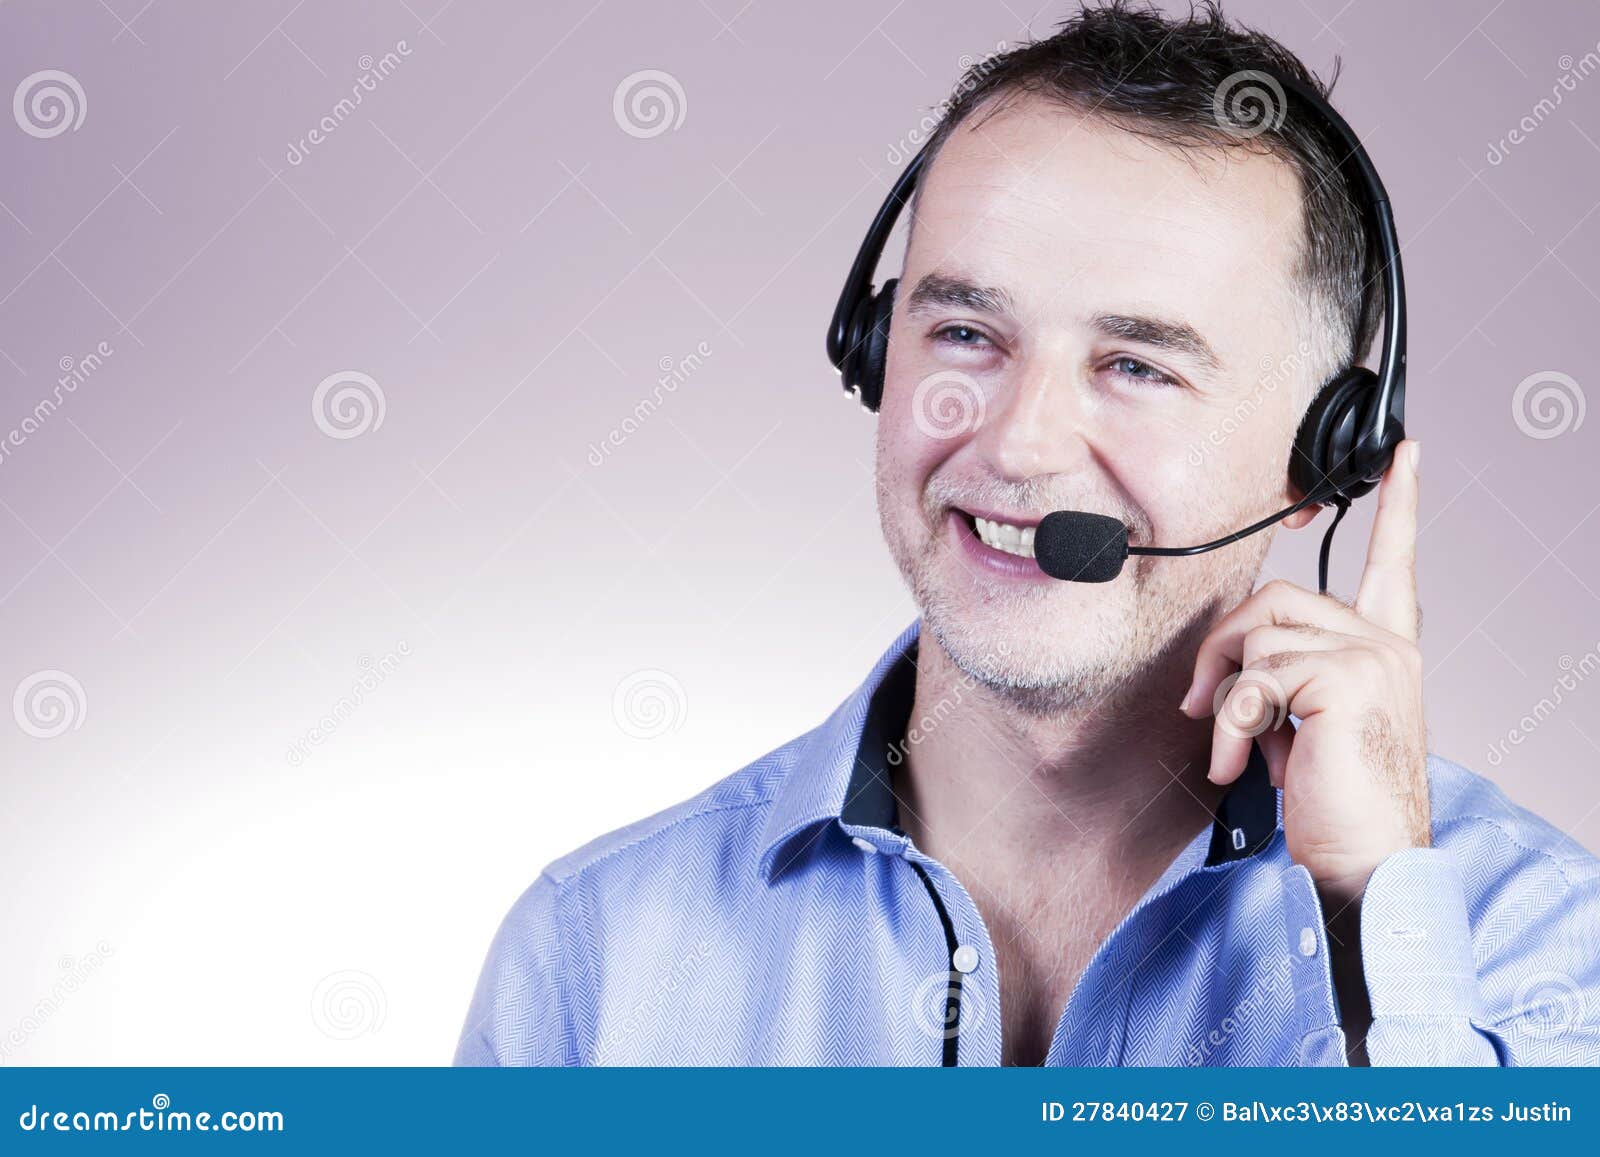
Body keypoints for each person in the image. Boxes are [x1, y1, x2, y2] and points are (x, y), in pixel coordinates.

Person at [455, 1, 1600, 1066]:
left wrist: (1371, 927)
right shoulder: (597, 954)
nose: (1016, 444)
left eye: (1136, 365)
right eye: (964, 332)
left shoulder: (1539, 942)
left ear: (1324, 456)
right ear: (873, 352)